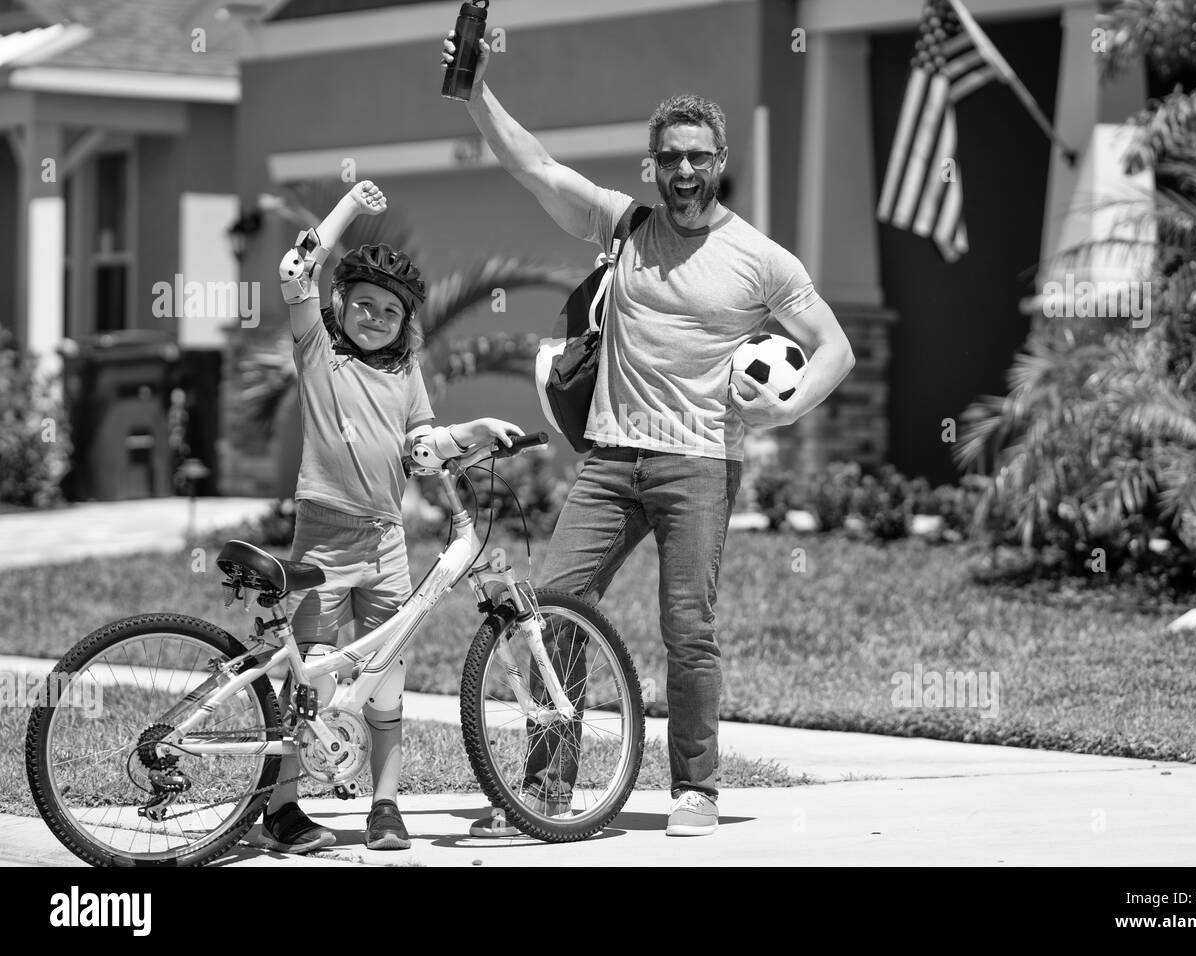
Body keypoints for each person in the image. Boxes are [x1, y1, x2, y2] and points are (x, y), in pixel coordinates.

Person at [441, 38, 855, 837]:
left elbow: (834, 344)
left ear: (720, 160)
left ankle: (696, 787)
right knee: (553, 610)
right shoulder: (623, 226)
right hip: (609, 458)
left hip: (699, 463)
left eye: (698, 157)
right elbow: (537, 169)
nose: (685, 172)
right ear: (652, 166)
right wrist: (476, 94)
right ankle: (549, 787)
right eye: (670, 158)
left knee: (687, 629)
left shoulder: (758, 259)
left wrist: (786, 409)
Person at [262, 180, 522, 852]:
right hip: (322, 542)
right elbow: (298, 268)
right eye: (365, 304)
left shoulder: (405, 375)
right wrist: (349, 205)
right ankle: (283, 810)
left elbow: (422, 446)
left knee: (385, 682)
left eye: (390, 311)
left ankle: (384, 805)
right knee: (311, 679)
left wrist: (478, 430)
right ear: (340, 304)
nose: (376, 317)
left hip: (385, 543)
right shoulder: (317, 350)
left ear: (406, 322)